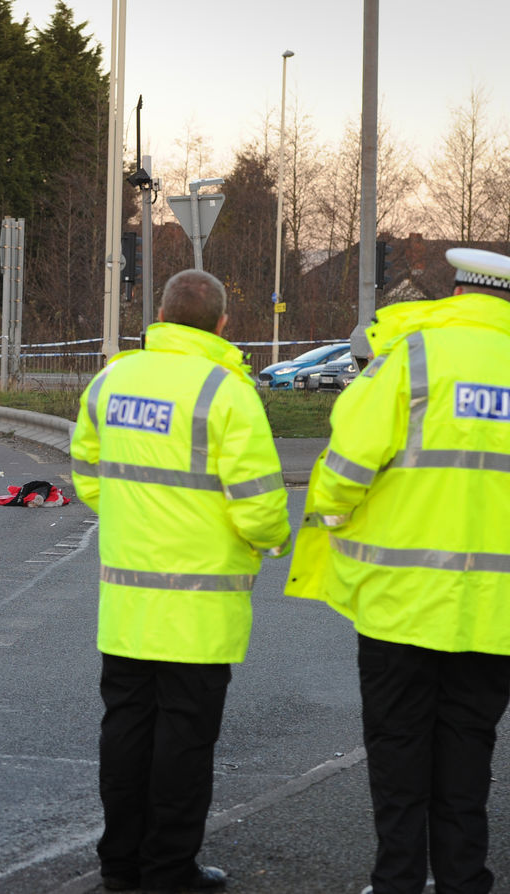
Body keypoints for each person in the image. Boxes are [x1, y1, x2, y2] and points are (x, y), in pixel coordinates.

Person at [287, 248, 510, 894]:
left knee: (398, 752)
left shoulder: (411, 358)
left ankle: (398, 880)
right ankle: (464, 880)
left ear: (456, 292)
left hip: (399, 605)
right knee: (469, 753)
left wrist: (334, 514)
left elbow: (347, 462)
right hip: (493, 611)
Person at [71, 269, 291, 893]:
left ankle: (120, 864)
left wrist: (131, 518)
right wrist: (273, 542)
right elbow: (258, 505)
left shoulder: (112, 380)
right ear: (222, 324)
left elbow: (87, 471)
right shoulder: (227, 392)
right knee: (184, 744)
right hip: (200, 609)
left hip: (127, 602)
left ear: (161, 318)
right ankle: (169, 869)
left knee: (125, 731)